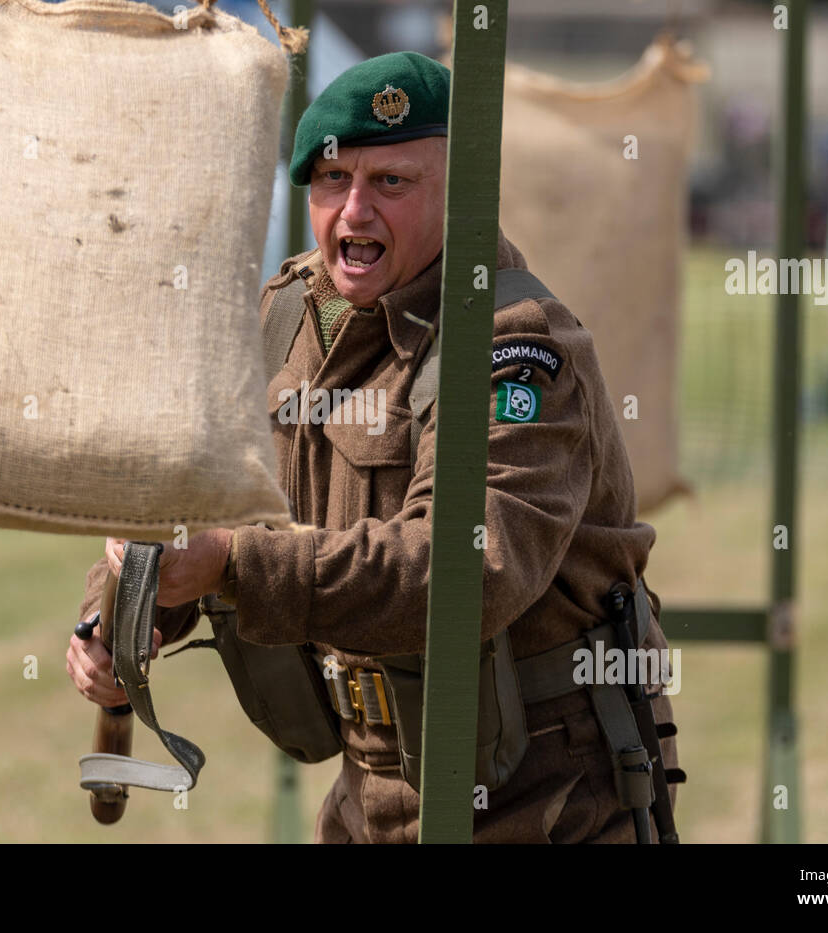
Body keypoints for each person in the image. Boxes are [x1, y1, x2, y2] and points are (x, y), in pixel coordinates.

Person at [67, 51, 680, 843]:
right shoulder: (290, 315)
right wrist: (119, 612)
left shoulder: (517, 348)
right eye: (332, 181)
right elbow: (184, 499)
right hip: (372, 793)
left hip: (545, 800)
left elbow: (467, 570)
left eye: (392, 182)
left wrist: (228, 563)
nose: (353, 212)